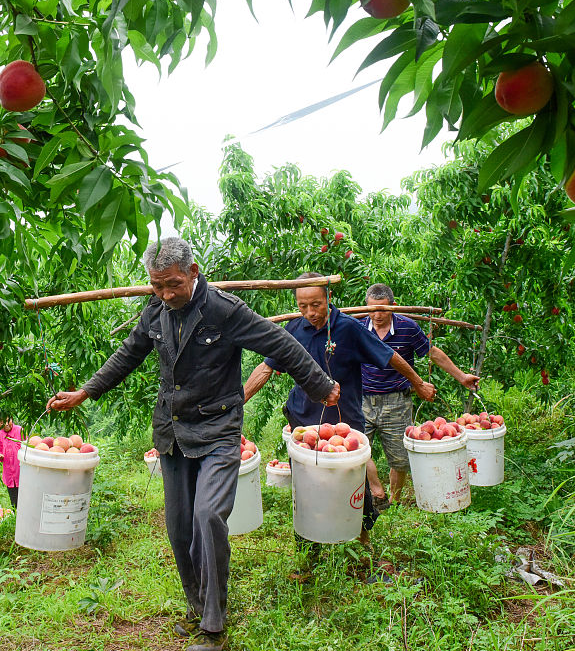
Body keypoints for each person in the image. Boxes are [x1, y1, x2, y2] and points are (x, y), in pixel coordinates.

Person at [48, 237, 337, 651]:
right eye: (156, 286)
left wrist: (321, 385)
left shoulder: (224, 310)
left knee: (208, 516)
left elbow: (281, 345)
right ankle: (196, 604)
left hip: (219, 428)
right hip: (173, 431)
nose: (166, 294)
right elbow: (128, 354)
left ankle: (214, 627)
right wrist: (85, 392)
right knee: (179, 526)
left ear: (193, 272)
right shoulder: (156, 309)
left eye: (173, 284)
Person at [243, 272, 436, 546]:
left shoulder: (348, 328)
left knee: (354, 483)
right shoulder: (294, 331)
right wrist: (241, 400)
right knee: (307, 486)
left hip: (344, 420)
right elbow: (266, 367)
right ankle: (309, 546)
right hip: (304, 421)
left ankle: (363, 540)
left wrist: (417, 383)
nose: (310, 312)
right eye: (303, 306)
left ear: (328, 298)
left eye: (316, 305)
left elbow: (389, 355)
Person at [360, 283, 480, 504]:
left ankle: (394, 502)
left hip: (397, 401)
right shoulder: (358, 327)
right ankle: (377, 491)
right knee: (358, 451)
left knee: (399, 459)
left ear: (394, 307)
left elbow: (432, 353)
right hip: (363, 399)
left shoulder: (408, 327)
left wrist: (462, 376)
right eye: (372, 309)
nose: (377, 315)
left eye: (383, 310)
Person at [0, 415, 23, 508]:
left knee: (24, 498)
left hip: (21, 471)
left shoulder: (19, 430)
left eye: (8, 421)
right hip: (9, 473)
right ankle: (15, 517)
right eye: (3, 422)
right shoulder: (0, 435)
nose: (6, 424)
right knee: (14, 500)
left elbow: (28, 446)